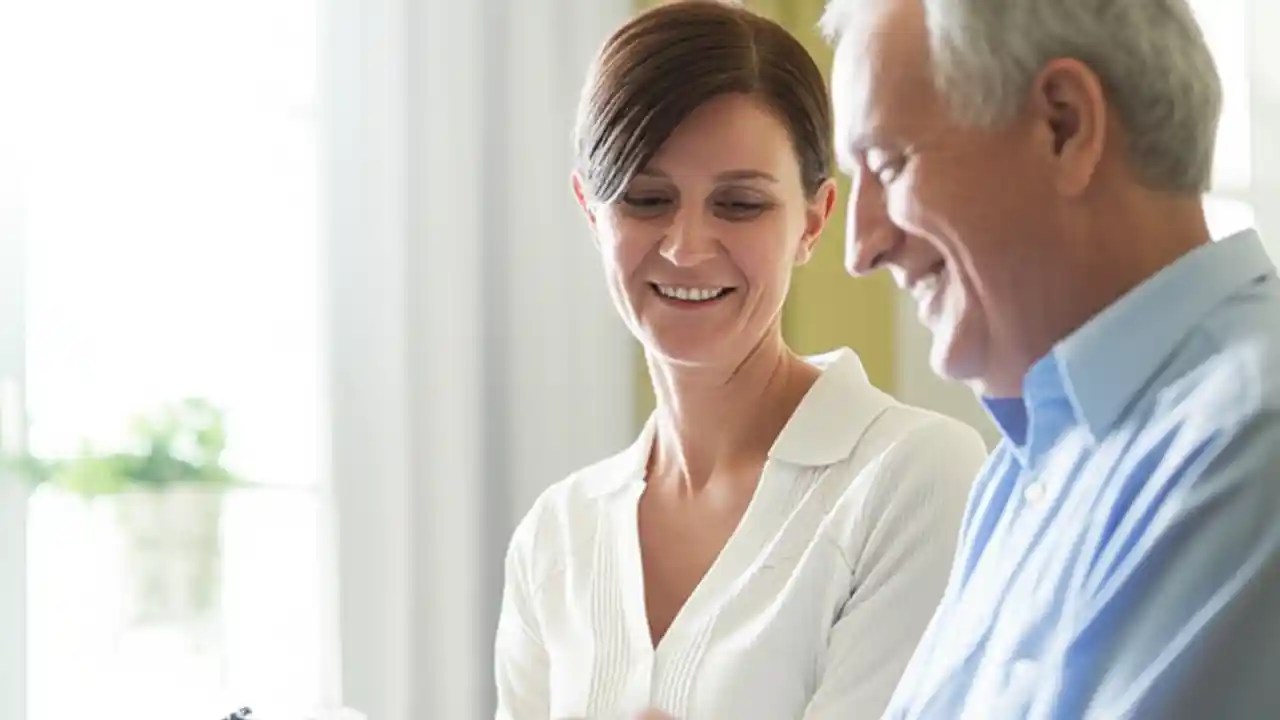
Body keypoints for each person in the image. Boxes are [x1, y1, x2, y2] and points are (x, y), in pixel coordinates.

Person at [493, 2, 988, 719]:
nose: (685, 247)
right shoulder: (556, 536)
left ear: (814, 220)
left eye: (740, 204)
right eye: (646, 198)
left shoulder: (914, 479)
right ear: (589, 210)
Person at [822, 0, 1280, 717]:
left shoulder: (1250, 441)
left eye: (888, 165)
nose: (862, 248)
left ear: (1063, 126)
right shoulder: (1018, 474)